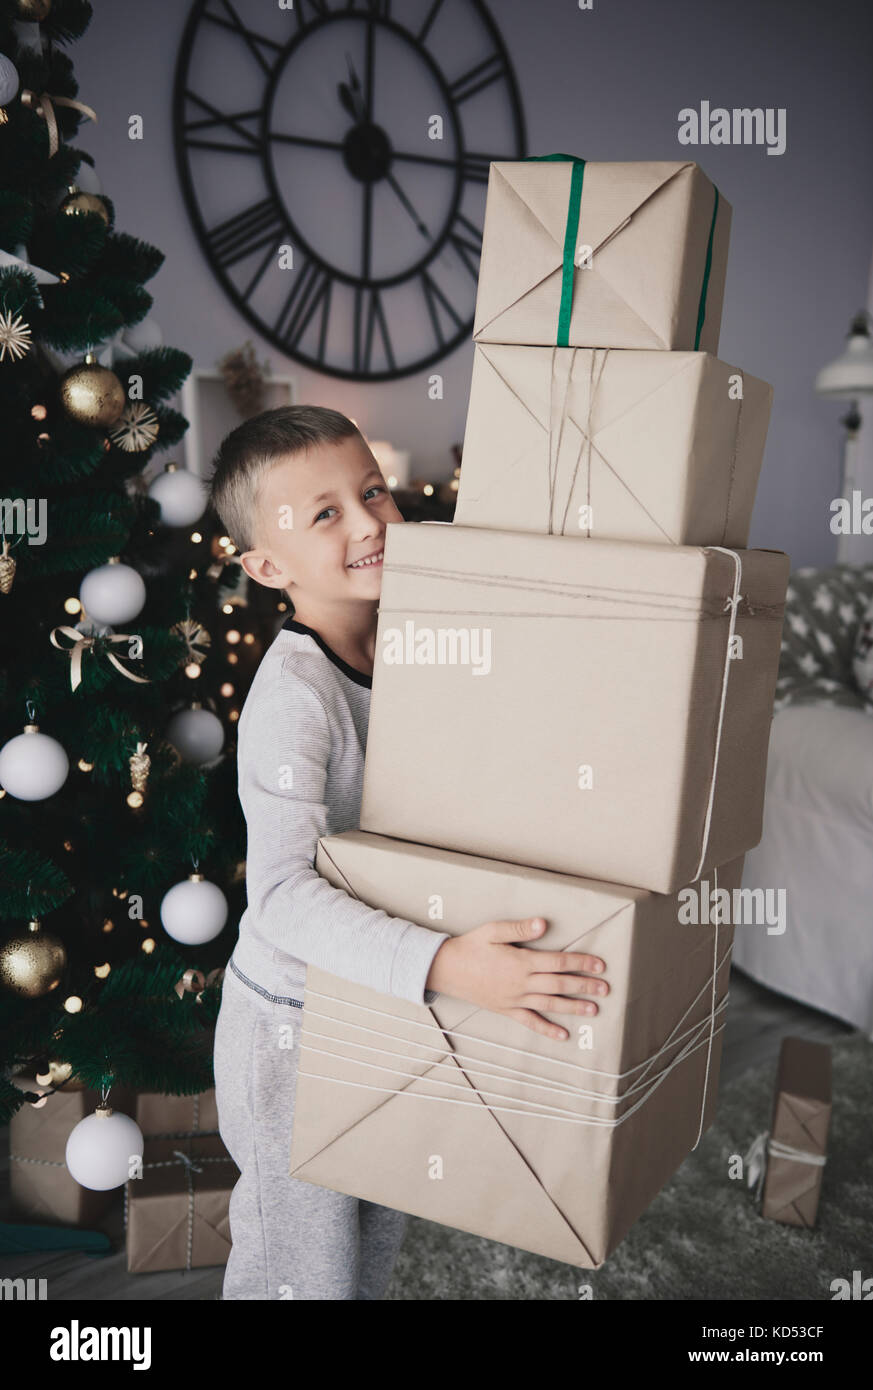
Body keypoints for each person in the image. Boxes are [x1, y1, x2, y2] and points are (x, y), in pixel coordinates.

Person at [208, 406, 610, 1299]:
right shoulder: (294, 696)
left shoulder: (416, 645)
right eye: (325, 515)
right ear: (266, 567)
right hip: (291, 1028)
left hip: (381, 1007)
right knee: (301, 1268)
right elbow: (278, 895)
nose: (367, 524)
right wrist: (445, 965)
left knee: (376, 1237)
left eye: (372, 493)